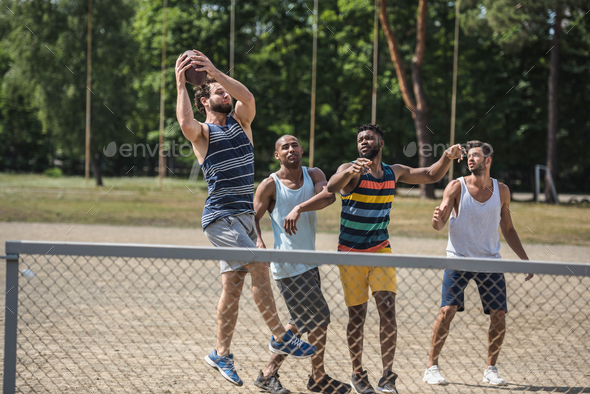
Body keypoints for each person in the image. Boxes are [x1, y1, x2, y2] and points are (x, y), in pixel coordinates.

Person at [174, 51, 315, 387]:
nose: (225, 93)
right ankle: (280, 335)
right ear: (205, 100)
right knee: (260, 265)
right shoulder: (204, 133)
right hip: (220, 218)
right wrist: (181, 82)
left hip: (245, 219)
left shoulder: (242, 123)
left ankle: (220, 353)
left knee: (233, 287)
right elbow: (184, 123)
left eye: (225, 90)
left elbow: (248, 97)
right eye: (218, 91)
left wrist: (214, 71)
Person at [327, 124, 464, 394]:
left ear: (381, 142)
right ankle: (358, 372)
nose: (364, 142)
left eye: (369, 137)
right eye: (360, 139)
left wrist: (446, 157)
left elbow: (430, 174)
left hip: (381, 250)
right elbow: (332, 186)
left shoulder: (393, 172)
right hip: (351, 253)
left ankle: (387, 376)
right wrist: (349, 171)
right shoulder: (351, 169)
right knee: (357, 316)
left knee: (387, 308)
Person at [423, 140, 533, 386]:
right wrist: (436, 219)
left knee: (499, 314)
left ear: (488, 160)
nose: (470, 159)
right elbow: (439, 224)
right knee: (447, 311)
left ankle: (490, 369)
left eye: (475, 156)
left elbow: (508, 229)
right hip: (458, 258)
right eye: (469, 156)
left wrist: (524, 260)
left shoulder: (502, 191)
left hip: (490, 261)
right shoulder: (456, 187)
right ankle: (431, 366)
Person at [253, 135, 351, 394]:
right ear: (277, 155)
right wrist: (259, 243)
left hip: (308, 261)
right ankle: (317, 377)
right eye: (284, 147)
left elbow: (329, 196)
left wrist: (299, 208)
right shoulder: (269, 185)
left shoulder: (314, 173)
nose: (290, 149)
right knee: (319, 316)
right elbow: (252, 219)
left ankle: (268, 374)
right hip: (287, 264)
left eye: (294, 144)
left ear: (302, 149)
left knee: (301, 319)